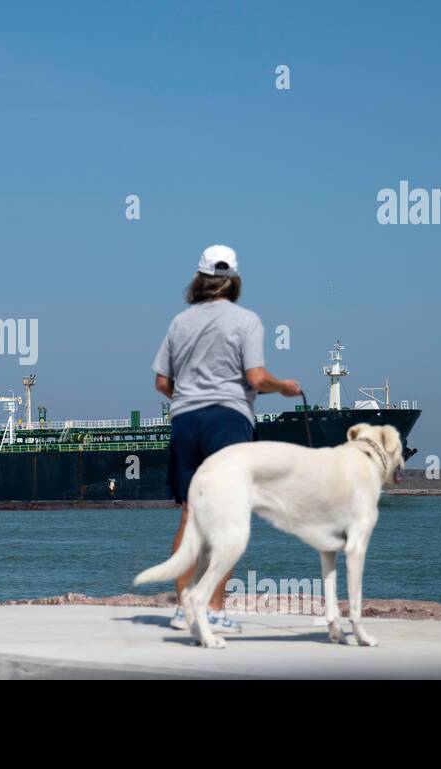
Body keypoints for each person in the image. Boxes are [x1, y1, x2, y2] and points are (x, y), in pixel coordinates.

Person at [152, 245, 301, 633]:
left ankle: (185, 609)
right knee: (228, 514)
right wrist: (282, 386)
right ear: (234, 279)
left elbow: (161, 383)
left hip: (185, 421)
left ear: (199, 279)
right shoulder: (245, 320)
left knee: (189, 512)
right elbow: (255, 379)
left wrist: (189, 399)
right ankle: (214, 609)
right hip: (228, 420)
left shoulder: (179, 323)